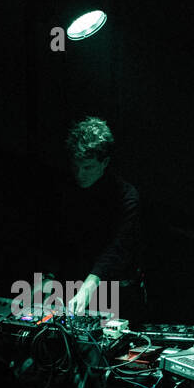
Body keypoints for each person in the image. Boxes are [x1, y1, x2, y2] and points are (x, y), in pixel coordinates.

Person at [51, 116, 144, 320]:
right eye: (76, 166)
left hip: (116, 293)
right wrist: (48, 276)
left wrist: (89, 285)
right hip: (74, 287)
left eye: (88, 167)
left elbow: (118, 248)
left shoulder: (127, 196)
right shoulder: (66, 190)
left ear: (105, 162)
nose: (79, 174)